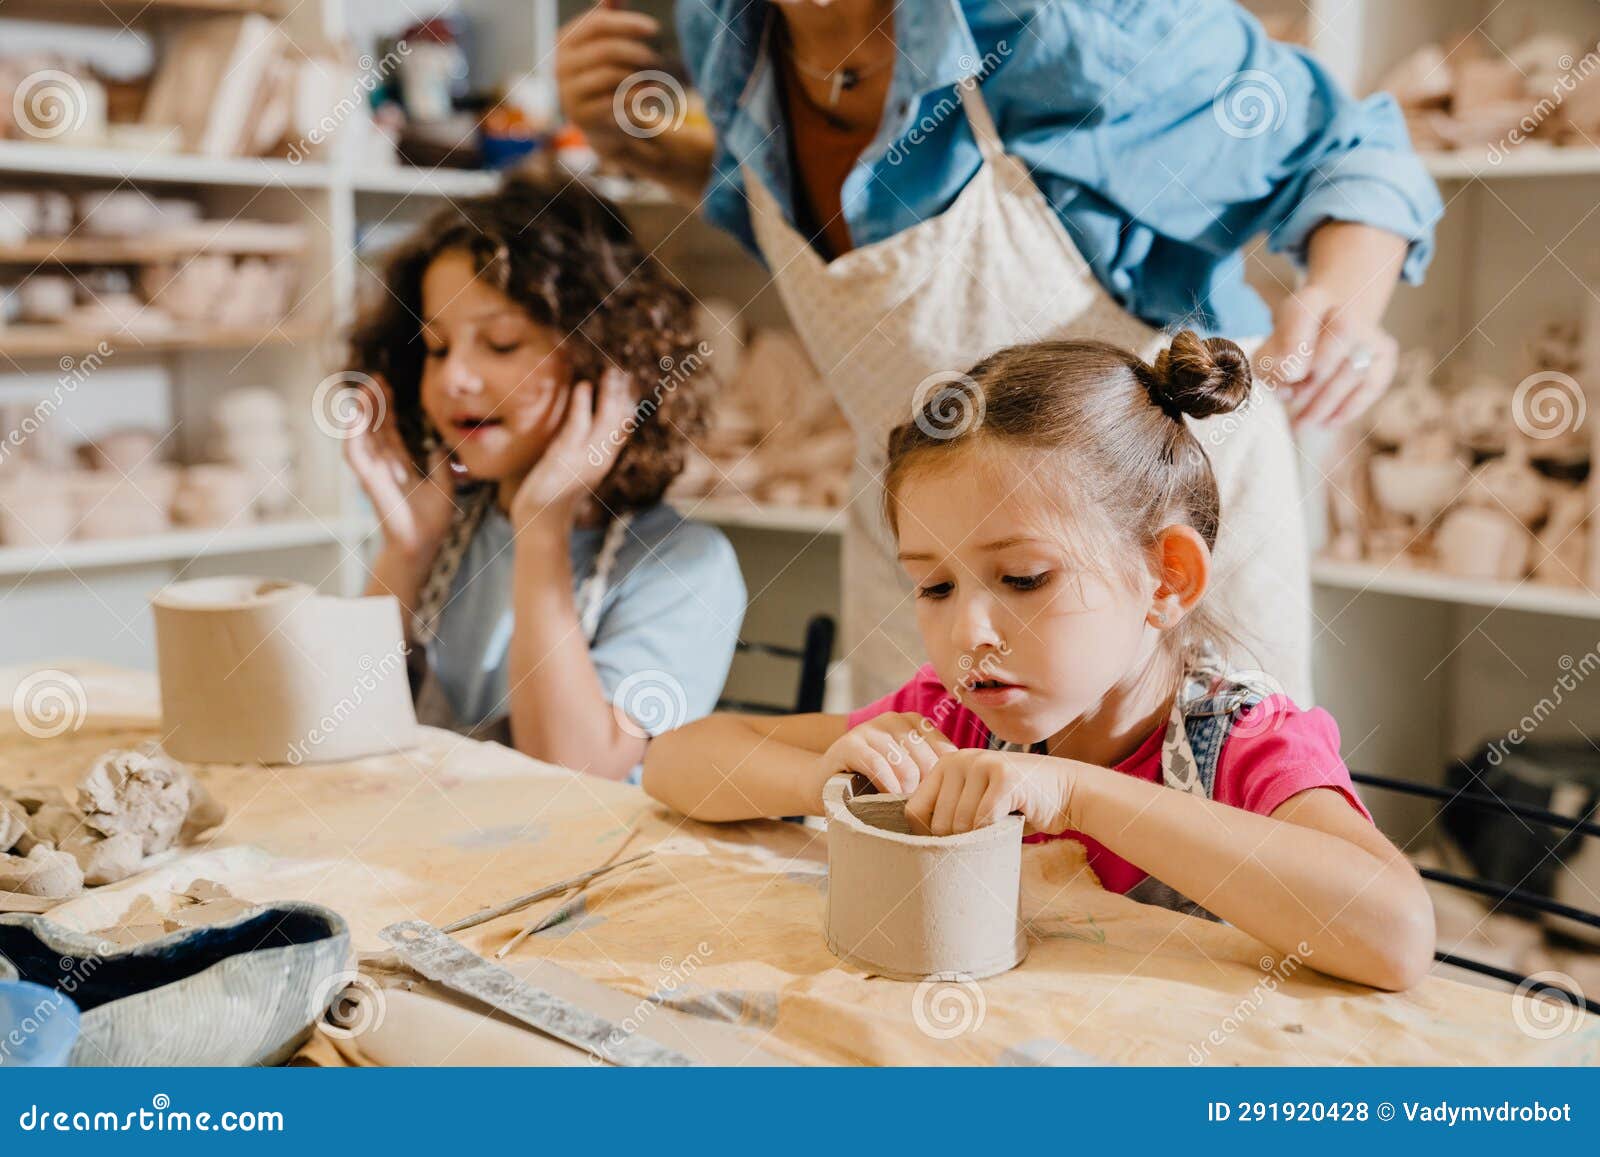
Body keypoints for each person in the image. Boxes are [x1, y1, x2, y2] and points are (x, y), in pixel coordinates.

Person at [557, 0, 1444, 706]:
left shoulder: (1058, 26)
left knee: (1191, 884)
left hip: (1146, 547)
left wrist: (1345, 305)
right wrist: (639, 138)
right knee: (935, 871)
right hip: (929, 549)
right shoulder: (724, 29)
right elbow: (841, 232)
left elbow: (1348, 145)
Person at [643, 333, 1435, 990]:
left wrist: (1076, 793)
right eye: (934, 584)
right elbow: (673, 761)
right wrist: (819, 782)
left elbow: (1396, 934)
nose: (970, 630)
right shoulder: (954, 717)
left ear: (1167, 579)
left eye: (1024, 578)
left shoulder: (1245, 741)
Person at [344, 172, 746, 778]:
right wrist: (407, 551)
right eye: (437, 347)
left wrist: (542, 533)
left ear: (604, 361)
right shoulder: (447, 529)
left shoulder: (688, 568)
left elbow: (572, 774)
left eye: (501, 344)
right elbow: (338, 725)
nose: (455, 377)